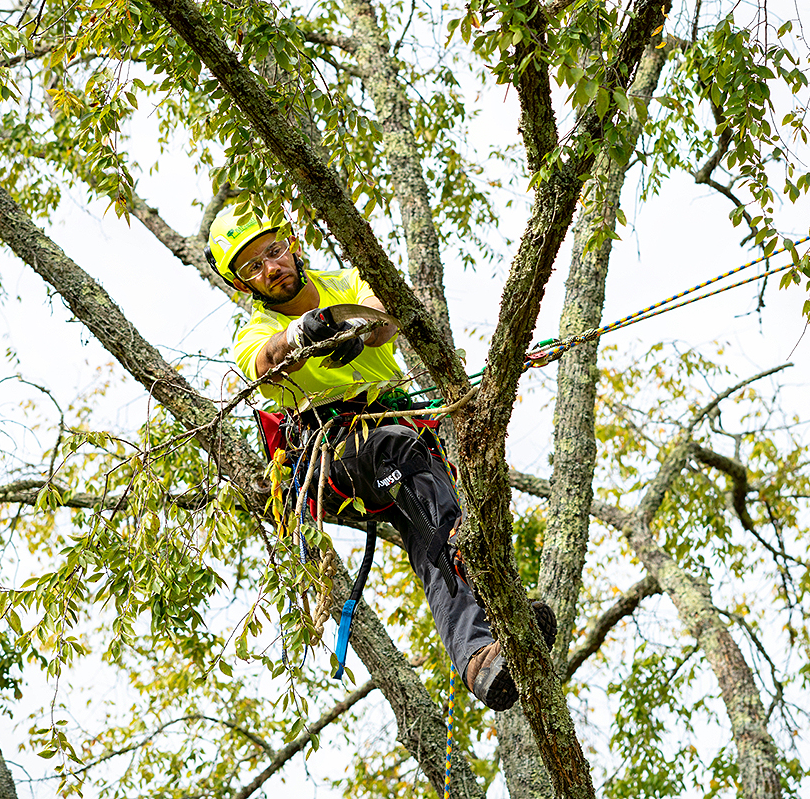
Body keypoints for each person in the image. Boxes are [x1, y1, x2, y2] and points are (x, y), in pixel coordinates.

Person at [206, 204, 555, 711]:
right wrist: (301, 335)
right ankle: (489, 611)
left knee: (435, 525)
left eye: (273, 251)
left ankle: (481, 655)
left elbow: (383, 310)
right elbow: (266, 360)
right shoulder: (253, 332)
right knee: (399, 453)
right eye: (253, 267)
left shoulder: (345, 282)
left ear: (293, 244)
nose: (271, 267)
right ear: (244, 284)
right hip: (335, 452)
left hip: (400, 441)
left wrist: (356, 324)